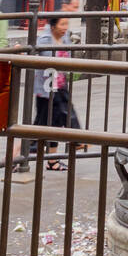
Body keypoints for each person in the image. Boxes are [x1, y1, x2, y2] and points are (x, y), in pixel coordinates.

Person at [32, 14, 82, 170]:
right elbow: (39, 59)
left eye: (67, 24)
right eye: (62, 24)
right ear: (52, 26)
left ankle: (53, 159)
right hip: (47, 90)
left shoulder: (65, 37)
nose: (65, 27)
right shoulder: (45, 40)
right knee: (40, 126)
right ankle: (16, 157)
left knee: (52, 123)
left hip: (59, 88)